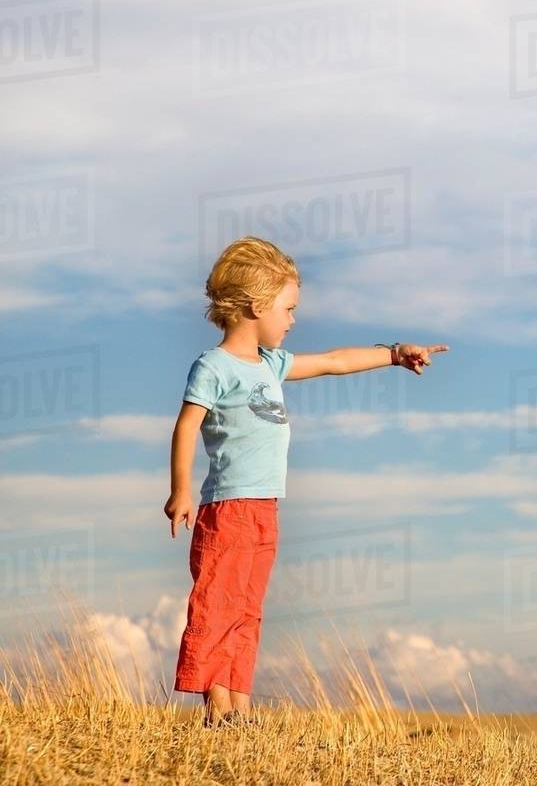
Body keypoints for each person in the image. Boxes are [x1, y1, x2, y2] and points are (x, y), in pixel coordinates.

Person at [163, 235, 448, 727]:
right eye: (289, 309)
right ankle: (218, 706)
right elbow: (186, 424)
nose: (294, 320)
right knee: (218, 603)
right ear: (256, 306)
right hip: (227, 509)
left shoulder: (271, 364)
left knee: (248, 609)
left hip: (265, 509)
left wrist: (395, 354)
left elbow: (336, 361)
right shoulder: (214, 366)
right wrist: (182, 489)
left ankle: (241, 708)